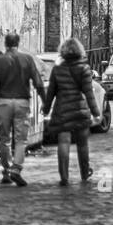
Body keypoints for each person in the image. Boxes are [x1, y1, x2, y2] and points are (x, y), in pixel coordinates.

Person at [0, 31, 46, 187]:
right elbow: (38, 82)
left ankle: (6, 170)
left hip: (3, 102)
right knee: (21, 139)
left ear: (5, 44)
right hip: (22, 102)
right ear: (18, 43)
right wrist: (45, 101)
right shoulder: (27, 59)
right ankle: (16, 169)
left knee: (4, 138)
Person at [43, 37, 102, 186]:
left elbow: (51, 92)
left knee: (63, 142)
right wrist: (96, 113)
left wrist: (45, 109)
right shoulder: (84, 69)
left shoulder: (57, 69)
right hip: (79, 110)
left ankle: (64, 176)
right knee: (82, 144)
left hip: (62, 110)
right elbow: (89, 94)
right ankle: (84, 173)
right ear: (79, 51)